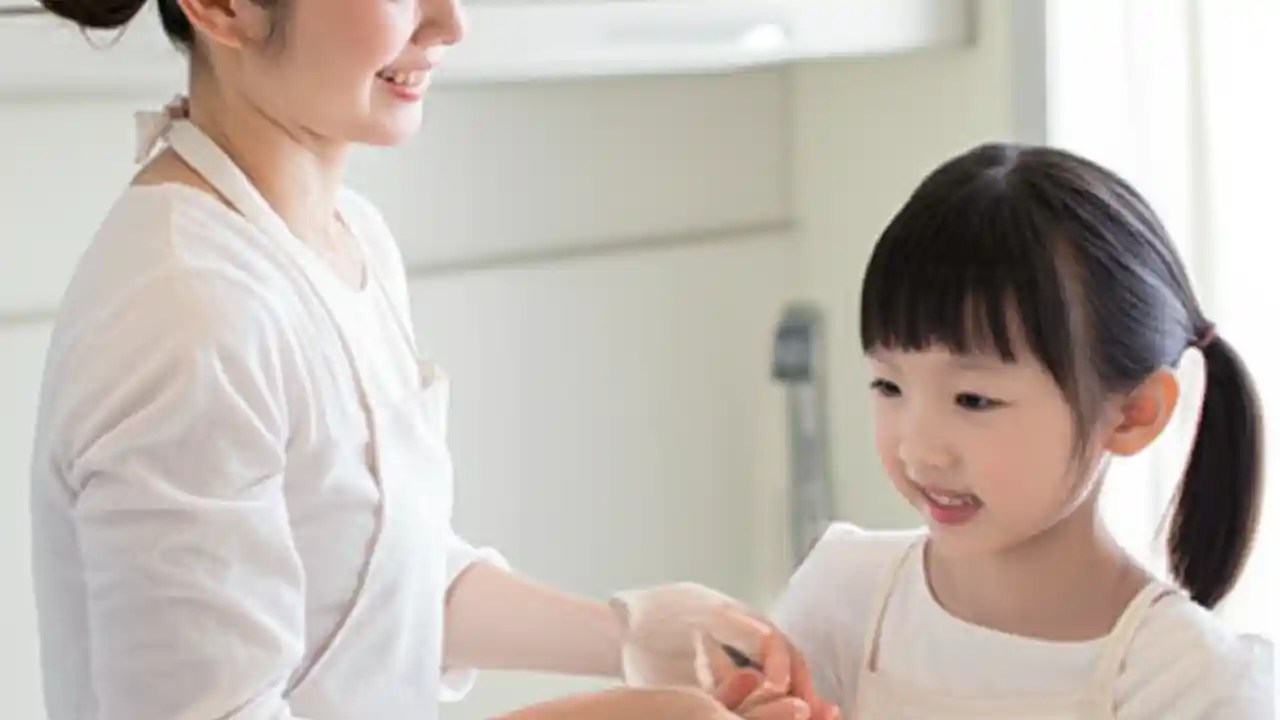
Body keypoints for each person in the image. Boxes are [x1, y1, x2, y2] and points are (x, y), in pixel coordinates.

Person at [26, 1, 841, 719]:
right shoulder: (188, 311)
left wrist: (632, 638)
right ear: (223, 5)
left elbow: (375, 584)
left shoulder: (348, 239)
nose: (450, 23)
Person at [771, 143, 1275, 718]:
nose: (919, 450)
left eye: (974, 399)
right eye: (889, 387)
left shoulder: (1191, 683)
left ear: (1133, 412)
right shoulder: (843, 599)